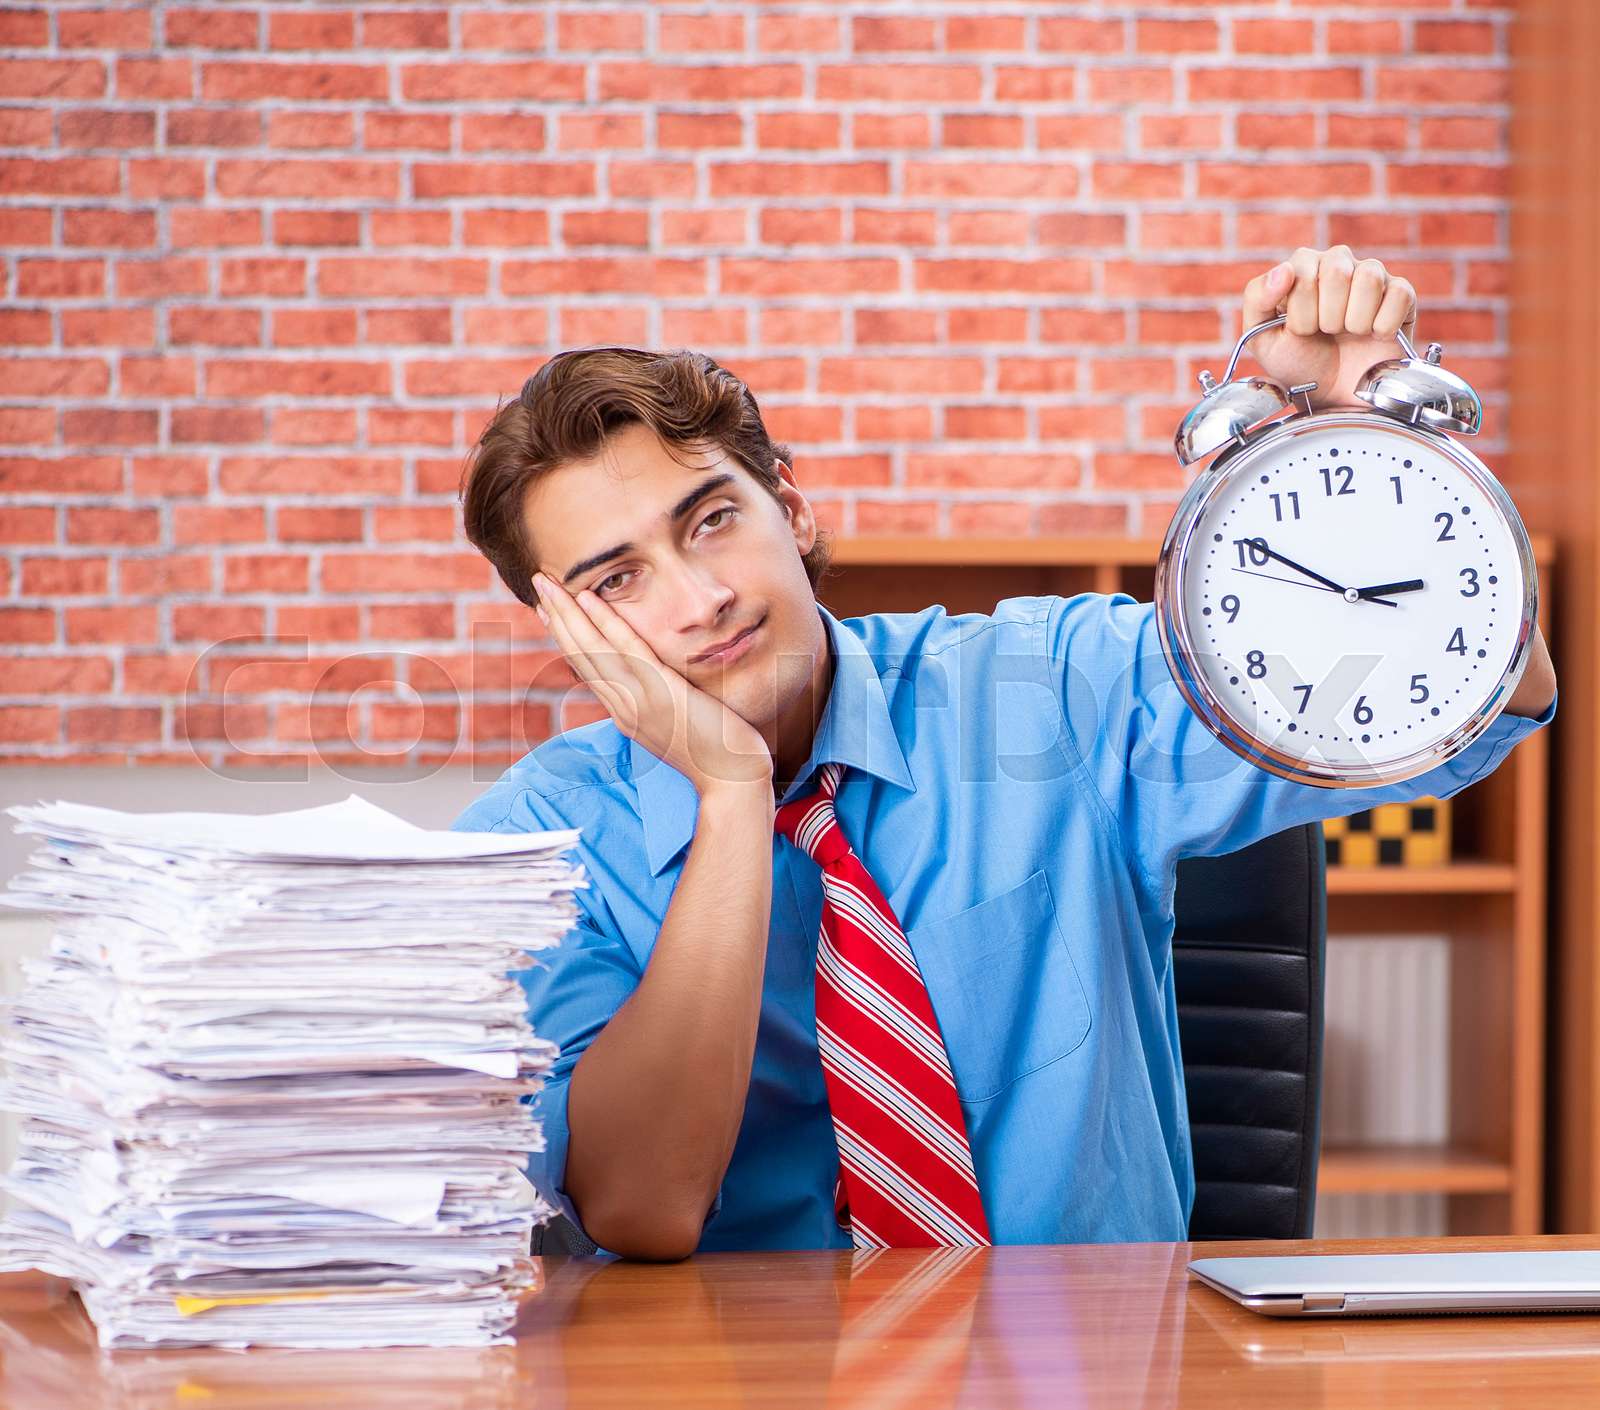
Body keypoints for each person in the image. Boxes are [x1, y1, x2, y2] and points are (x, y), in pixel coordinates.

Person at [450, 246, 1559, 1260]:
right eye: (617, 580)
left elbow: (1485, 701)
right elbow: (640, 1203)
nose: (702, 600)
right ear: (569, 630)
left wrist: (1364, 433)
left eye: (710, 521)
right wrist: (732, 799)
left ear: (788, 505)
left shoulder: (1057, 689)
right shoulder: (530, 853)